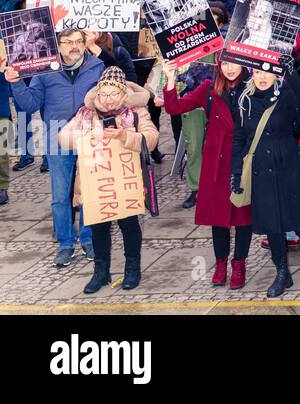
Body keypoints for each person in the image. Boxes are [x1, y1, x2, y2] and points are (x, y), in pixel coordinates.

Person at [7, 29, 117, 266]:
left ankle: (88, 239)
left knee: (89, 192)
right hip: (56, 139)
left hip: (89, 139)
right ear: (57, 45)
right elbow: (29, 105)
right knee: (60, 197)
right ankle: (66, 244)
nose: (74, 46)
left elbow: (116, 94)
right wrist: (16, 84)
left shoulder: (97, 66)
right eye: (67, 42)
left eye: (78, 41)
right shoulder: (45, 70)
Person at [57, 67, 159, 293]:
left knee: (129, 224)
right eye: (104, 94)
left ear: (123, 93)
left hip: (125, 183)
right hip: (96, 185)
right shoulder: (86, 113)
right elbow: (63, 137)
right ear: (98, 93)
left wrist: (125, 136)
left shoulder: (136, 112)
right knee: (98, 227)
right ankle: (100, 272)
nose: (108, 99)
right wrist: (85, 136)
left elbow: (151, 138)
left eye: (114, 94)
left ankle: (133, 269)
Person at [230, 66, 300, 298]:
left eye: (267, 72)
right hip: (260, 170)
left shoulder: (286, 93)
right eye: (257, 72)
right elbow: (239, 137)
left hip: (287, 166)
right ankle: (282, 272)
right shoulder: (245, 100)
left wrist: (289, 70)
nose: (262, 77)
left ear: (275, 73)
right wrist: (235, 172)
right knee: (272, 226)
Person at [160, 59, 254, 289]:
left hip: (241, 158)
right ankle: (221, 263)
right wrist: (170, 78)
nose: (230, 69)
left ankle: (239, 263)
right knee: (218, 217)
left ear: (244, 65)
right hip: (216, 161)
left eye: (235, 64)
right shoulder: (209, 88)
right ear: (218, 65)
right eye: (225, 64)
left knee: (243, 216)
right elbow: (175, 108)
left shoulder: (252, 88)